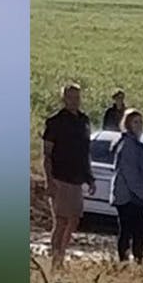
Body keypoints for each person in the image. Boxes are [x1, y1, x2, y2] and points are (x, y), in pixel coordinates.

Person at [41, 84, 96, 270]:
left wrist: (90, 177)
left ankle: (62, 253)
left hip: (77, 178)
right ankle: (56, 260)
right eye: (71, 97)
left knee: (74, 219)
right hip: (59, 177)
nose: (75, 100)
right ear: (64, 99)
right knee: (61, 220)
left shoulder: (84, 121)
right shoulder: (55, 122)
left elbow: (85, 152)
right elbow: (47, 154)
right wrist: (49, 180)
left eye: (77, 97)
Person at [110, 109, 143, 263]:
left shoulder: (138, 145)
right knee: (129, 232)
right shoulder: (128, 145)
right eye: (135, 122)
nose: (139, 125)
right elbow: (131, 176)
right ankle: (125, 263)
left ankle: (136, 262)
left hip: (136, 197)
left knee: (137, 232)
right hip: (128, 197)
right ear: (127, 124)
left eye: (141, 122)